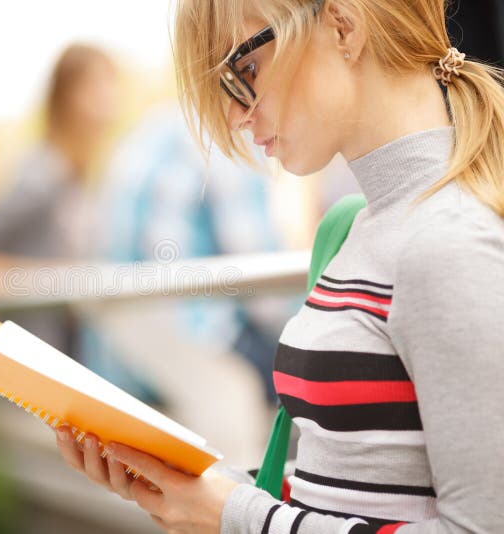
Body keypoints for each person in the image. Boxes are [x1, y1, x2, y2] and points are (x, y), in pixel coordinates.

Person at [53, 0, 504, 532]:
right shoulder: (348, 228)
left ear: (342, 24)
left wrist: (236, 516)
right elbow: (350, 486)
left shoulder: (448, 241)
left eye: (242, 71)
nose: (234, 114)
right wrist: (191, 493)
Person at [0, 44, 118, 354]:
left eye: (112, 84)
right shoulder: (40, 177)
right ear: (66, 97)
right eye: (96, 86)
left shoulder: (82, 180)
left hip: (71, 354)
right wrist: (42, 280)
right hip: (29, 360)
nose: (109, 100)